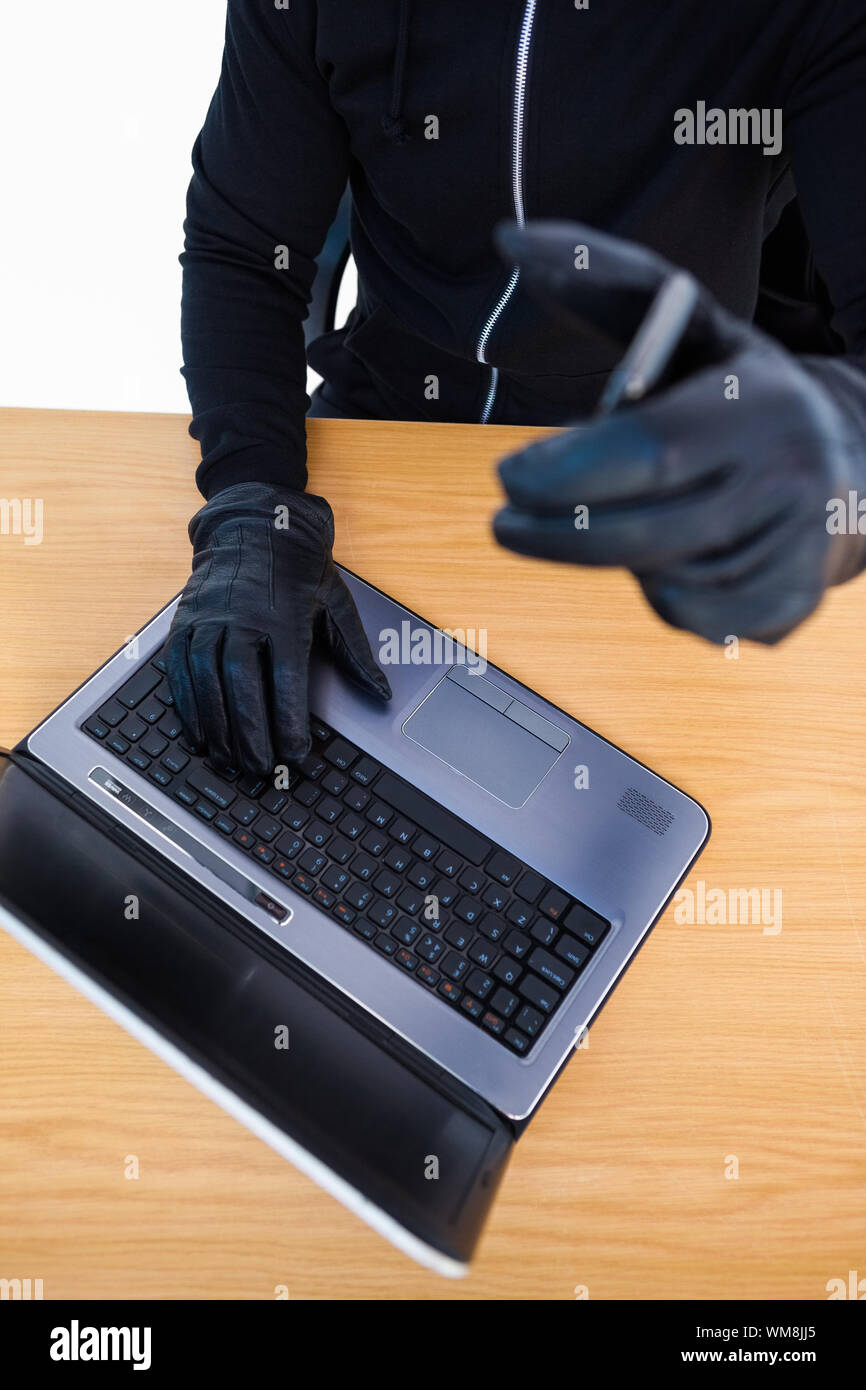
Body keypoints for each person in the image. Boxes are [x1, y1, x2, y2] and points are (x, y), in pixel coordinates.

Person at [167, 0, 866, 776]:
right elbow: (243, 249)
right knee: (244, 777)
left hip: (665, 466)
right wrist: (248, 506)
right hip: (387, 423)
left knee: (685, 815)